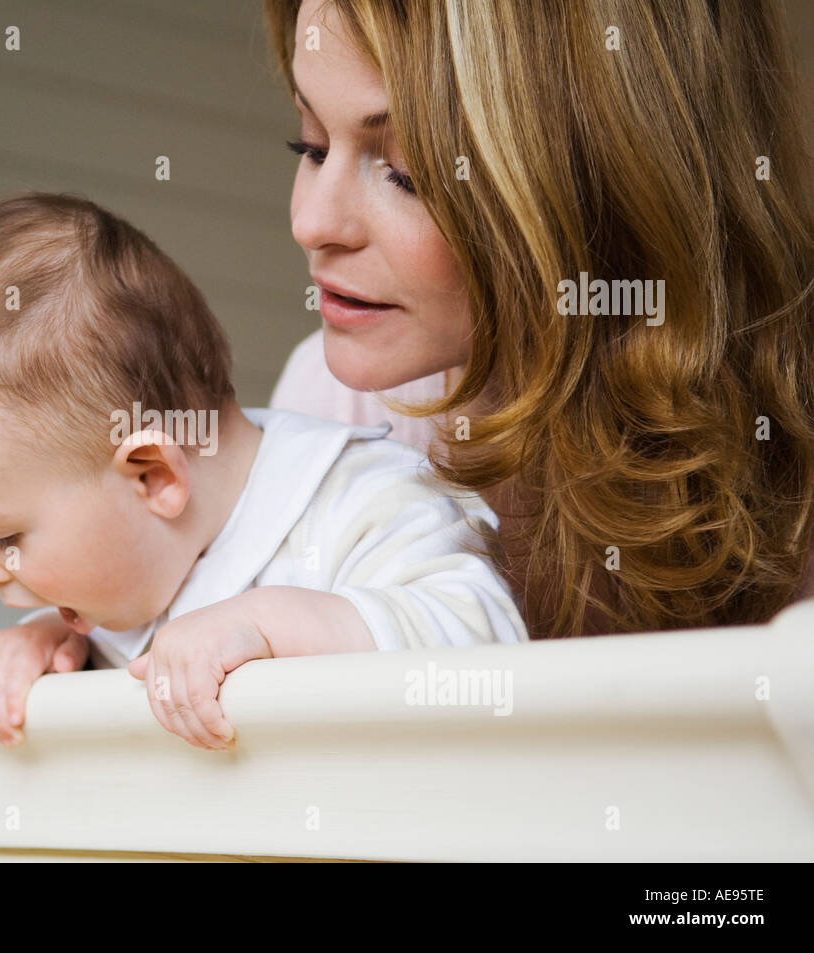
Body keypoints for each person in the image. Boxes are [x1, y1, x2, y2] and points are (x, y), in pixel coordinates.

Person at [0, 191, 525, 752]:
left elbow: (485, 646)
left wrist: (271, 625)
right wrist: (52, 654)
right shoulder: (137, 578)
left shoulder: (363, 500)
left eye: (1, 535)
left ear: (153, 475)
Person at [264, 0, 814, 636]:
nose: (311, 223)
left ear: (606, 175)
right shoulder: (332, 410)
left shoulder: (785, 425)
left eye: (407, 174)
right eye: (311, 145)